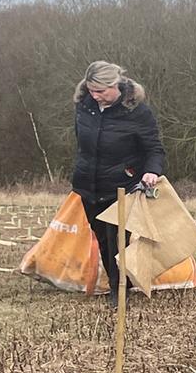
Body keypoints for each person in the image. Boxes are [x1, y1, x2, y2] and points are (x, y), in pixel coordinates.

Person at [70, 61, 165, 305]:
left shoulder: (137, 111)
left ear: (115, 85)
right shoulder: (84, 106)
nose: (95, 96)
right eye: (91, 90)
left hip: (123, 185)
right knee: (101, 237)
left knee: (118, 239)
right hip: (88, 185)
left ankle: (118, 289)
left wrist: (150, 171)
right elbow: (82, 142)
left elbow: (154, 148)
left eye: (101, 91)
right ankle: (119, 280)